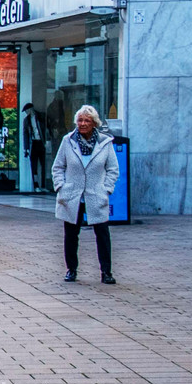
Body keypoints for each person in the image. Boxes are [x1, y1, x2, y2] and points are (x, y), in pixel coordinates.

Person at [52, 104, 120, 285]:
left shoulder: (105, 143)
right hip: (72, 194)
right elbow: (58, 167)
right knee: (71, 235)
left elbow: (113, 169)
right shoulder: (68, 141)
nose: (82, 124)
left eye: (87, 121)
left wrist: (106, 188)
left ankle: (106, 272)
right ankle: (71, 269)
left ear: (94, 123)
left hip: (96, 194)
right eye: (80, 120)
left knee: (102, 235)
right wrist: (60, 186)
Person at [21, 102, 48, 191]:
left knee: (44, 165)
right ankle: (36, 185)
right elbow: (25, 134)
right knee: (34, 166)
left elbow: (47, 128)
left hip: (41, 142)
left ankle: (43, 185)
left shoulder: (41, 116)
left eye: (27, 110)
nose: (26, 113)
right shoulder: (26, 120)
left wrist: (47, 141)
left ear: (30, 109)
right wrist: (26, 148)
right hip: (33, 144)